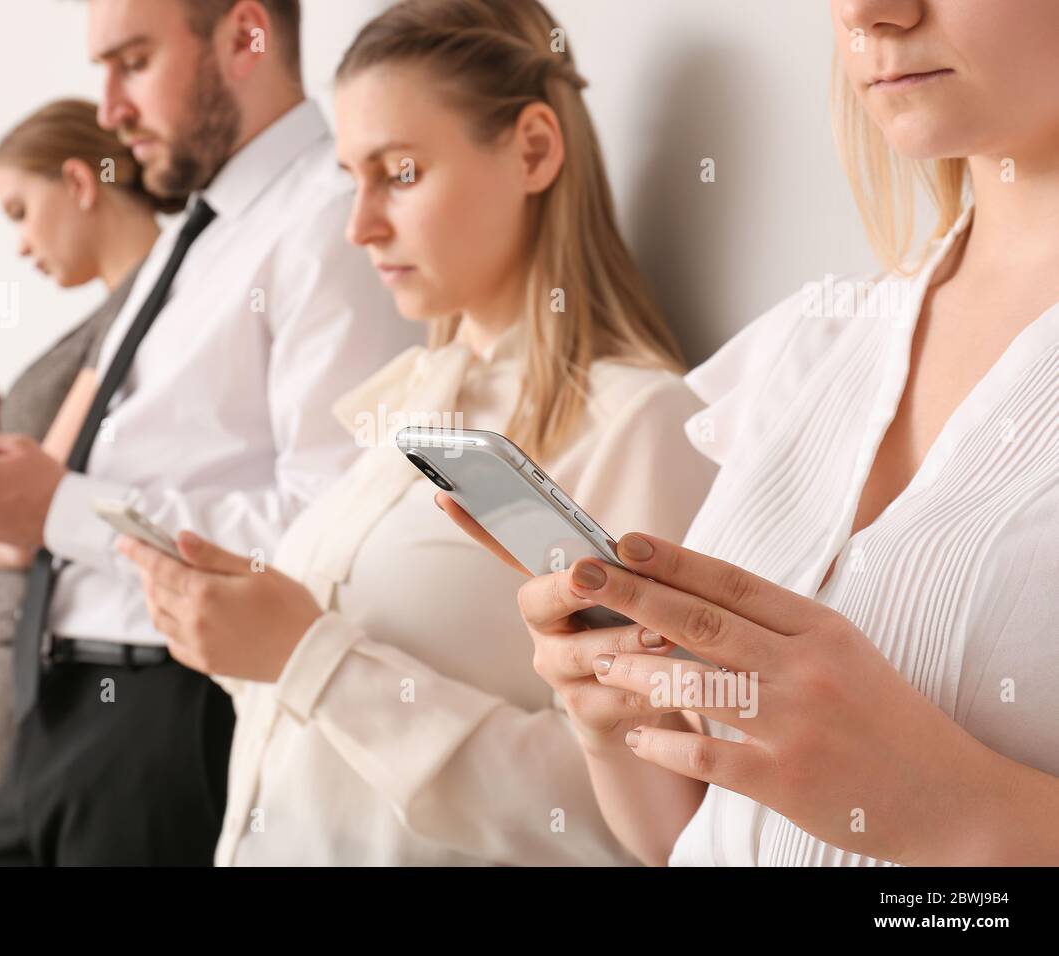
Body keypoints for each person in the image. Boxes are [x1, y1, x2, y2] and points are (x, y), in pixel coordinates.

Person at [450, 0, 1059, 866]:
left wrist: (952, 807)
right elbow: (686, 836)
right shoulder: (807, 348)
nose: (867, 12)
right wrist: (622, 718)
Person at [117, 0, 718, 865]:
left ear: (534, 151)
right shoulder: (411, 412)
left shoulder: (642, 426)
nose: (359, 224)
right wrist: (235, 631)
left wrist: (311, 658)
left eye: (398, 173)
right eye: (350, 178)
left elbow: (648, 831)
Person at [0, 0, 417, 865]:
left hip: (164, 720)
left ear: (246, 36)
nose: (106, 108)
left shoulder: (333, 228)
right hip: (60, 705)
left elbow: (330, 537)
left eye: (133, 62)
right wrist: (14, 476)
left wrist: (62, 508)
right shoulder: (196, 233)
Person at [0, 98, 172, 866]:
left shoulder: (140, 315)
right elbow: (62, 473)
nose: (20, 245)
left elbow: (21, 522)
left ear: (78, 180)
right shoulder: (117, 315)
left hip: (35, 640)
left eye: (22, 211)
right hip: (28, 640)